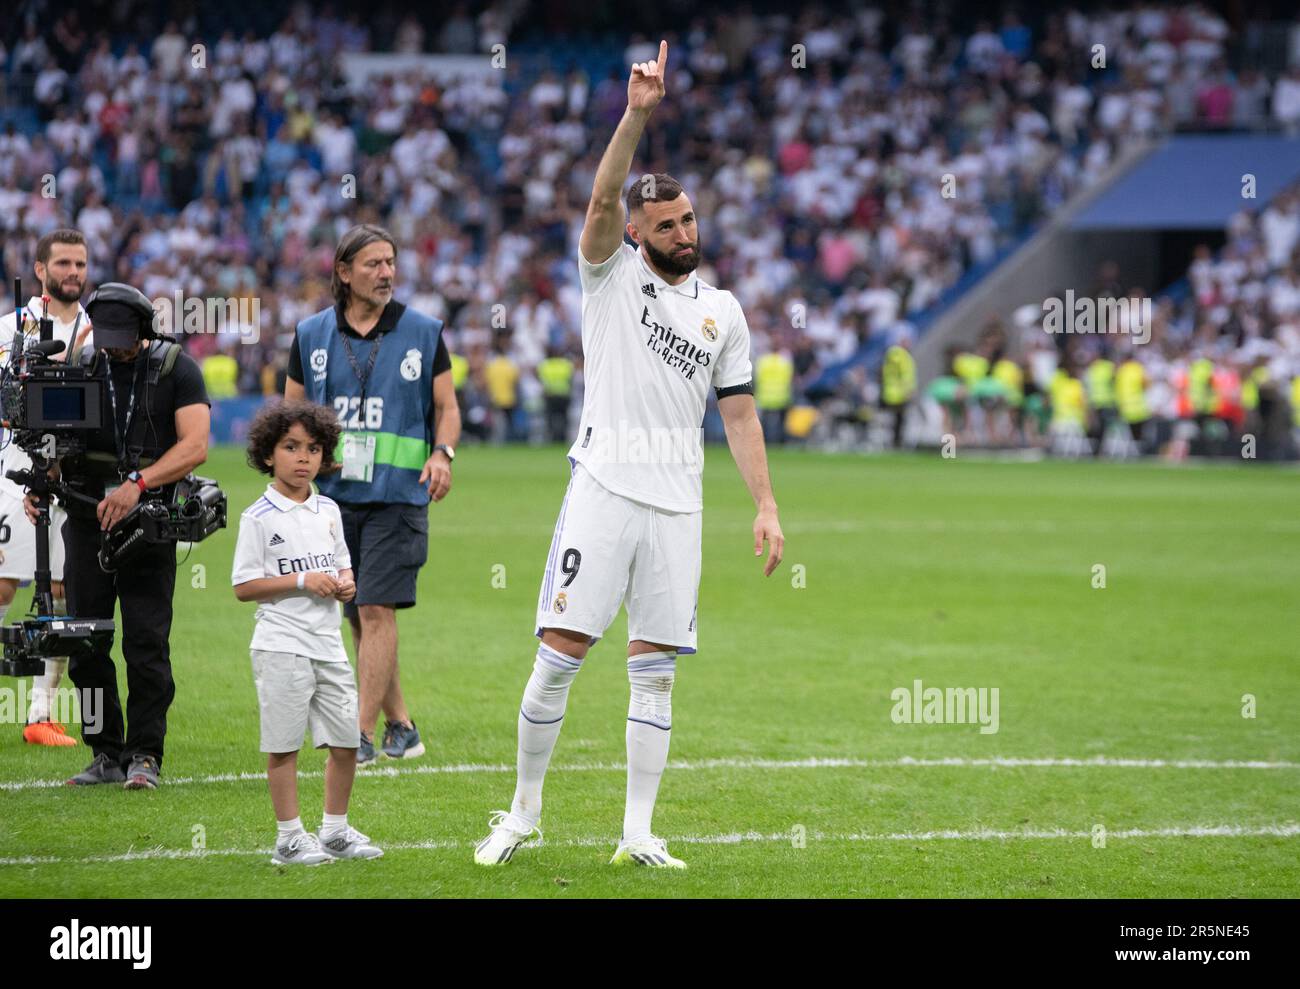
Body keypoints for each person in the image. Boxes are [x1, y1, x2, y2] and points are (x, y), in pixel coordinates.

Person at [474, 41, 784, 869]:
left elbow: (742, 414)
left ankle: (638, 832)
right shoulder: (608, 276)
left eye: (690, 220)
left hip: (679, 505)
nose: (685, 233)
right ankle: (523, 812)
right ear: (639, 233)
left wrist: (764, 503)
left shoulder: (724, 311)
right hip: (605, 487)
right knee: (557, 658)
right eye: (669, 225)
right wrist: (638, 114)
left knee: (656, 674)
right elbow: (606, 192)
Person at [285, 224, 461, 764]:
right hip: (333, 501)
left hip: (398, 497)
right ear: (344, 273)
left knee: (376, 607)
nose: (386, 273)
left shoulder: (425, 331)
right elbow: (289, 414)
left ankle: (356, 733)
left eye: (390, 262)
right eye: (373, 264)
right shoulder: (311, 334)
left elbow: (448, 409)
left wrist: (442, 454)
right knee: (358, 615)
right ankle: (400, 725)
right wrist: (305, 457)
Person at [24, 282, 210, 788]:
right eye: (104, 337)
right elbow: (59, 444)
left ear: (144, 329)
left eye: (122, 338)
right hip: (87, 520)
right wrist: (46, 479)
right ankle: (105, 752)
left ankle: (145, 754)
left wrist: (138, 483)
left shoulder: (177, 369)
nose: (112, 347)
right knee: (85, 641)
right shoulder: (84, 364)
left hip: (147, 522)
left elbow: (195, 447)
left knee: (147, 645)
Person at [232, 400, 382, 864]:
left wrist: (346, 582)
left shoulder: (329, 510)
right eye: (291, 447)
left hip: (329, 645)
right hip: (281, 645)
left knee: (346, 742)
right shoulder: (258, 517)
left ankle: (335, 831)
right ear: (268, 454)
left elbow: (341, 562)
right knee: (284, 745)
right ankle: (288, 837)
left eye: (313, 448)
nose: (303, 458)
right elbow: (244, 587)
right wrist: (300, 581)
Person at [0, 228, 95, 747]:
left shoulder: (95, 332)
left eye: (80, 263)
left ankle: (40, 714)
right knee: (4, 585)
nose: (73, 273)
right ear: (40, 270)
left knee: (61, 589)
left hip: (70, 477)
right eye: (63, 263)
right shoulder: (9, 329)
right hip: (12, 473)